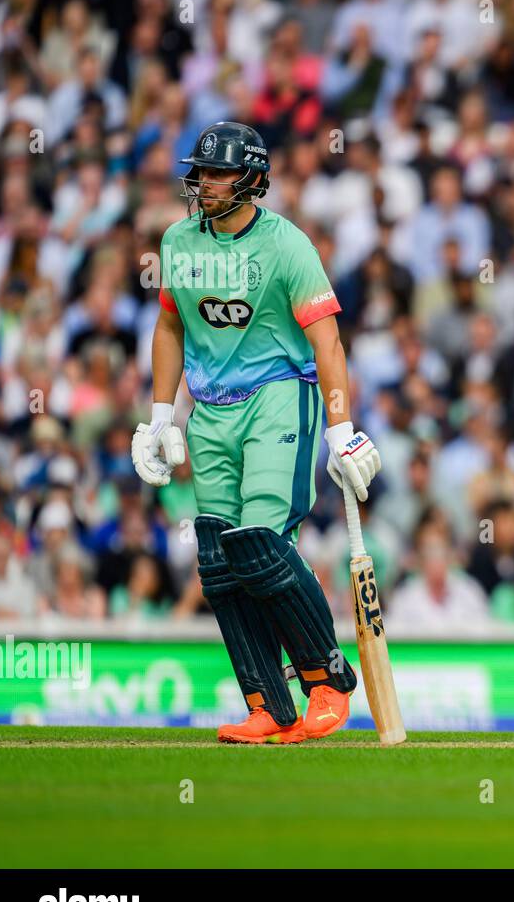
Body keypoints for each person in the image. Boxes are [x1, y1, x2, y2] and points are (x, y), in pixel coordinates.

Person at [130, 121, 382, 744]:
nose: (205, 184)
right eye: (202, 172)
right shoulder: (178, 241)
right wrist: (161, 415)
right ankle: (269, 704)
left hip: (279, 398)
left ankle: (326, 680)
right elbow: (170, 327)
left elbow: (326, 340)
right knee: (219, 560)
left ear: (252, 180)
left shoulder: (287, 245)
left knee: (261, 542)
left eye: (218, 173)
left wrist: (341, 427)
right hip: (210, 409)